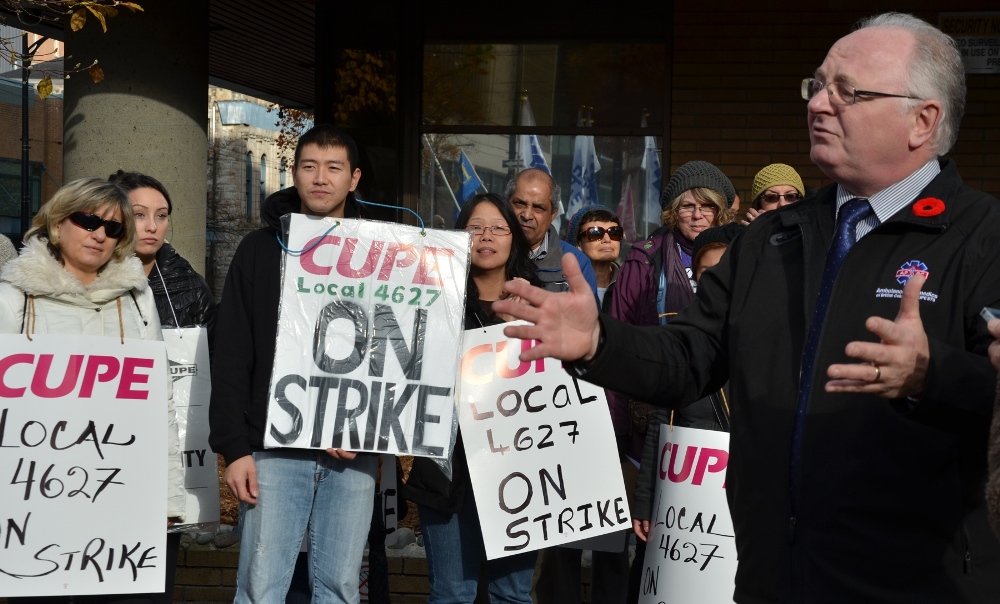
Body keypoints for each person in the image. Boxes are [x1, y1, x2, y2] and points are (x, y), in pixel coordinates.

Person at [495, 13, 1000, 603]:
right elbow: (689, 357)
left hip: (921, 586)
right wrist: (599, 343)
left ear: (923, 120)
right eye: (817, 86)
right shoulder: (771, 238)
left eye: (848, 92)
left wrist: (931, 374)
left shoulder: (984, 237)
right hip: (771, 578)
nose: (819, 104)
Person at [209, 124, 378, 603]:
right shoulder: (259, 251)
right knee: (261, 587)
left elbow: (394, 354)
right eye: (308, 166)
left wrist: (369, 429)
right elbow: (232, 355)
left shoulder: (386, 255)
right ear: (295, 174)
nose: (320, 178)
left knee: (341, 588)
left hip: (352, 451)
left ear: (354, 178)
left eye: (333, 168)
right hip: (273, 452)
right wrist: (234, 448)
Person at [0, 177, 185, 603]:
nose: (99, 234)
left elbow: (161, 405)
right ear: (56, 222)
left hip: (121, 498)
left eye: (114, 228)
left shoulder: (138, 299)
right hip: (37, 501)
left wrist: (168, 499)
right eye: (87, 221)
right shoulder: (15, 298)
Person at [602, 160, 735, 602]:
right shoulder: (644, 260)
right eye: (687, 206)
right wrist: (617, 431)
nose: (697, 215)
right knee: (656, 538)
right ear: (671, 211)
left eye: (707, 207)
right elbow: (616, 342)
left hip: (722, 428)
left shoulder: (745, 257)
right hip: (655, 421)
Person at [403, 192, 540, 604]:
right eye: (475, 227)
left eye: (498, 227)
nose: (486, 236)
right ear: (458, 237)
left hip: (522, 471)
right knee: (450, 594)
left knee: (513, 595)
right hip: (448, 472)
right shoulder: (428, 302)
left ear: (514, 238)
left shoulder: (540, 306)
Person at [631, 223, 743, 552]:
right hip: (683, 517)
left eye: (728, 270)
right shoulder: (681, 339)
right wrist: (645, 500)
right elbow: (659, 424)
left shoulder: (772, 341)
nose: (720, 282)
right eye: (708, 273)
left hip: (740, 510)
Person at [109, 170, 217, 341]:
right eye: (139, 214)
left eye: (161, 216)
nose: (152, 227)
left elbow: (211, 356)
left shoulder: (191, 287)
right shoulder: (88, 281)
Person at [504, 168, 598, 296]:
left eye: (538, 208)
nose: (526, 215)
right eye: (519, 203)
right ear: (506, 204)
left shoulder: (577, 264)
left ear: (553, 214)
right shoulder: (486, 251)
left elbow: (587, 315)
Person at [566, 204, 622, 310]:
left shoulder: (631, 285)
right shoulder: (562, 285)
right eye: (596, 233)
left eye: (614, 232)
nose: (607, 240)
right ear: (579, 243)